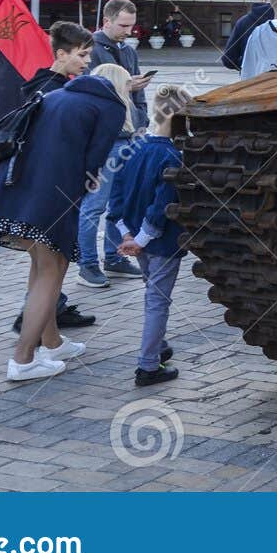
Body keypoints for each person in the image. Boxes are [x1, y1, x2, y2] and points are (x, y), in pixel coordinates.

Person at [0, 69, 127, 381]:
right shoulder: (111, 107)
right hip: (52, 196)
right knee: (51, 269)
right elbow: (95, 159)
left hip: (16, 187)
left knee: (44, 265)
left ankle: (52, 343)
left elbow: (13, 128)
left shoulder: (56, 95)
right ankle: (23, 359)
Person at [0, 22, 102, 335]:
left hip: (40, 188)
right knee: (50, 266)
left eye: (88, 55)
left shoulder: (48, 86)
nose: (87, 62)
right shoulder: (51, 91)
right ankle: (31, 341)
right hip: (43, 190)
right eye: (82, 55)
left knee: (47, 265)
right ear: (61, 54)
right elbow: (14, 130)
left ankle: (48, 334)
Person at [110, 83, 187, 386]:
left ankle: (158, 346)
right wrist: (141, 239)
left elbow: (115, 198)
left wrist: (127, 236)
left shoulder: (134, 148)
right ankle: (148, 365)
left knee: (151, 294)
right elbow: (162, 206)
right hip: (161, 242)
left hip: (133, 239)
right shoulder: (172, 157)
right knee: (158, 301)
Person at [76, 64, 141, 287]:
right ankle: (87, 264)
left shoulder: (119, 104)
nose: (130, 87)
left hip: (123, 145)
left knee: (117, 207)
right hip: (109, 151)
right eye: (126, 83)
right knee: (94, 208)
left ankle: (113, 258)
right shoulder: (101, 105)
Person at [91, 0, 153, 129]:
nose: (129, 32)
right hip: (104, 128)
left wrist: (141, 120)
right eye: (124, 26)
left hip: (132, 129)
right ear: (106, 22)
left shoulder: (129, 51)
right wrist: (126, 86)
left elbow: (139, 97)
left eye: (132, 26)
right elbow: (88, 91)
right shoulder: (89, 50)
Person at [221, 0, 273, 71]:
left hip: (250, 78)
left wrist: (245, 65)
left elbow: (228, 59)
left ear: (264, 0)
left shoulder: (243, 21)